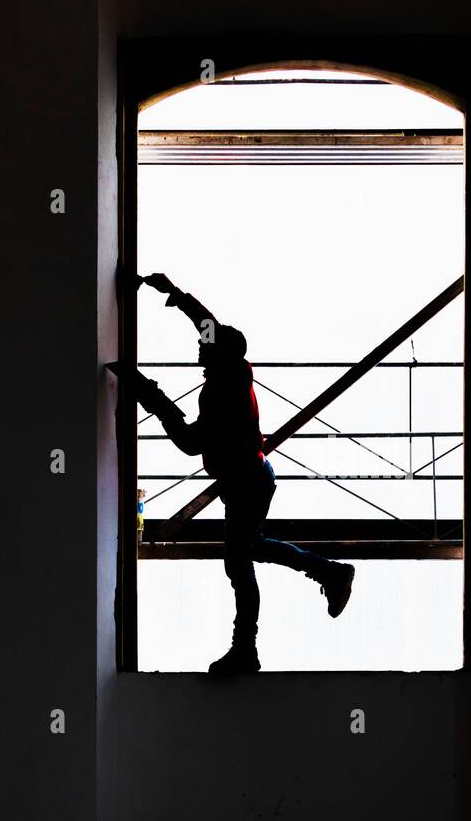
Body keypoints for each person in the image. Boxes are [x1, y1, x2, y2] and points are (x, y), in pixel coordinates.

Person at [114, 272, 354, 675]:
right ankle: (328, 571)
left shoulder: (226, 386)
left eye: (206, 346)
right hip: (251, 480)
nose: (199, 346)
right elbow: (206, 325)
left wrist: (150, 395)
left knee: (238, 563)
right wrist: (175, 295)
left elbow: (191, 442)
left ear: (220, 354)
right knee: (251, 550)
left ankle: (246, 648)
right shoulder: (229, 377)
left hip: (248, 482)